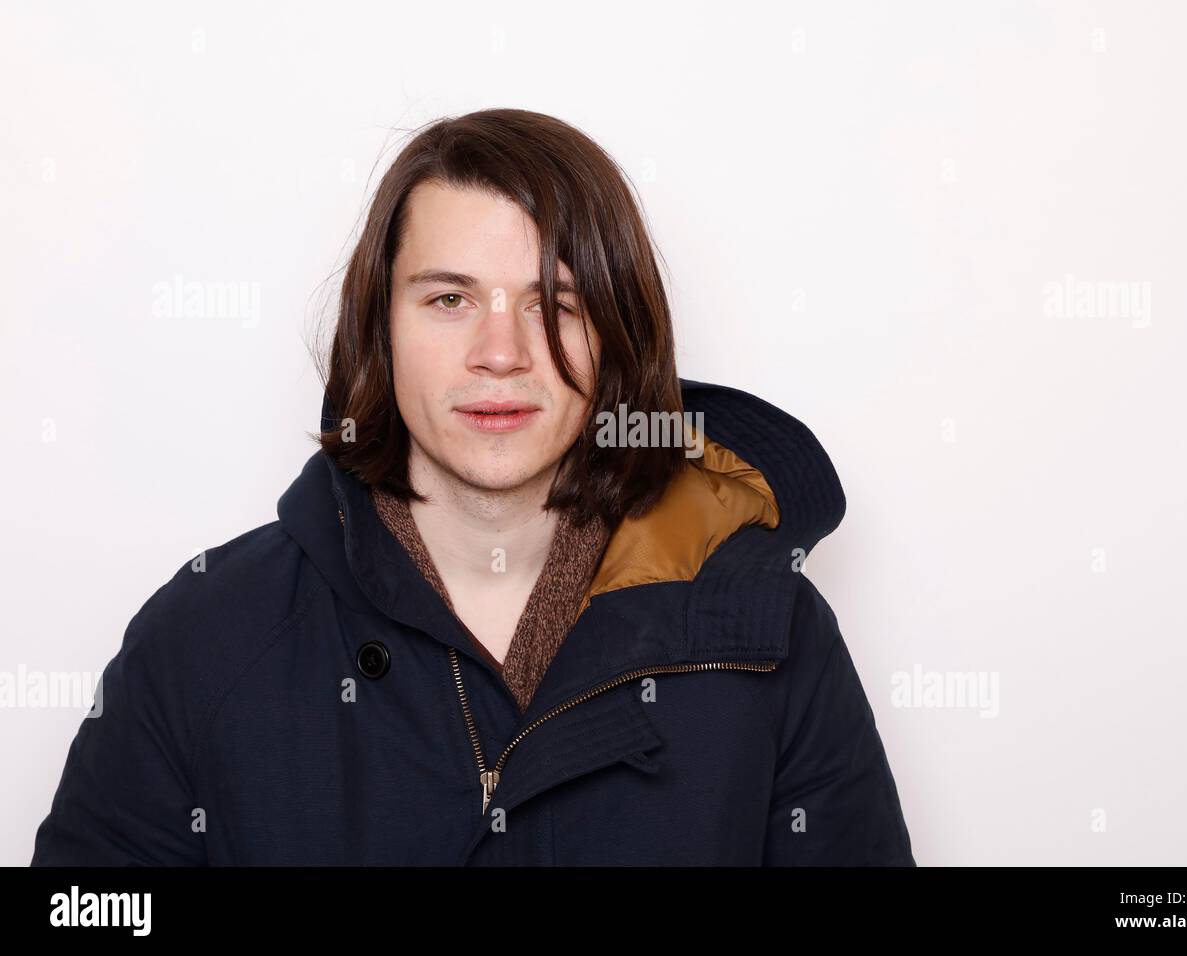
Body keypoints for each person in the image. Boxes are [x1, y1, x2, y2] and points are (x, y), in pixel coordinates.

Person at [31, 108, 915, 866]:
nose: (502, 353)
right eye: (450, 300)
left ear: (618, 339)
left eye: (555, 304)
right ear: (379, 330)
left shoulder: (772, 636)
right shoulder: (203, 637)